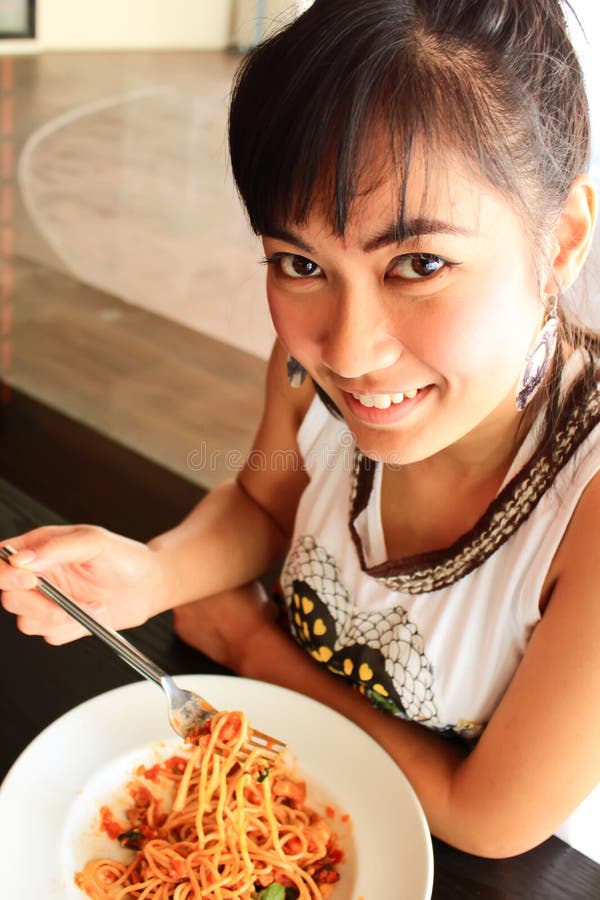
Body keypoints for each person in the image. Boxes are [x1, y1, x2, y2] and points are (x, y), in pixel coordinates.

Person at [1, 0, 599, 863]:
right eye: (300, 264)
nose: (349, 352)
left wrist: (253, 643)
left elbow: (489, 816)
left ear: (564, 239)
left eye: (418, 264)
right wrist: (154, 573)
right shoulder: (301, 375)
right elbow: (264, 502)